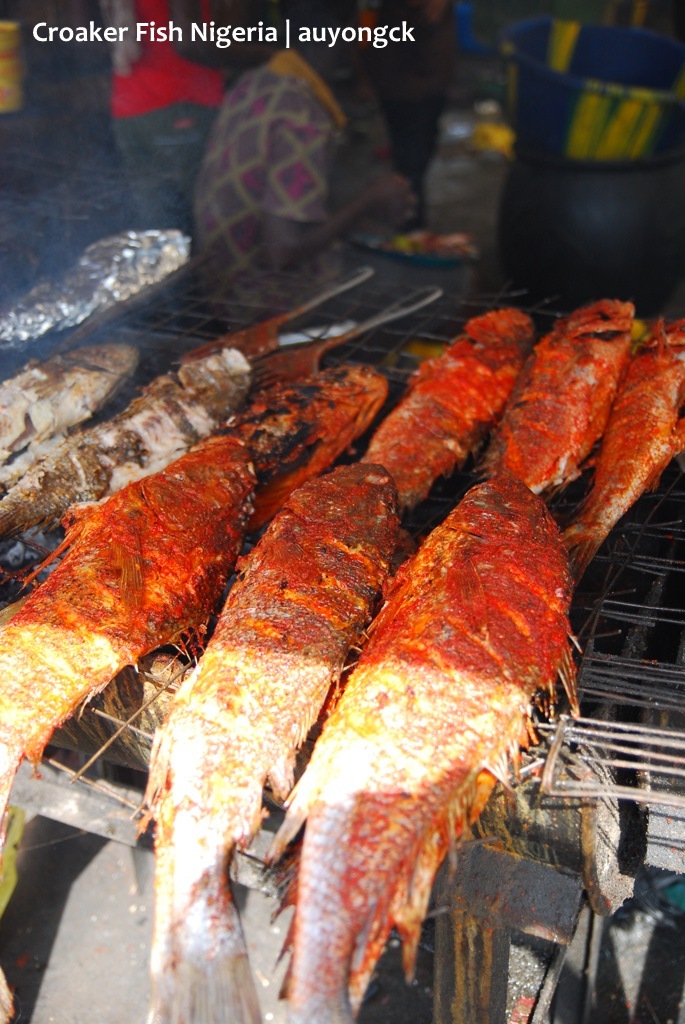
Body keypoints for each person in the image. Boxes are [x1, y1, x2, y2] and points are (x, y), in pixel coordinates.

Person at [193, 0, 416, 288]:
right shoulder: (303, 115)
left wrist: (361, 213)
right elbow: (282, 251)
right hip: (259, 298)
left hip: (219, 282)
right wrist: (368, 201)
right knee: (415, 282)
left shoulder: (255, 81)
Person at [101, 0, 270, 235]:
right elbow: (190, 43)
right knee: (214, 226)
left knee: (161, 236)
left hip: (130, 110)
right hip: (184, 106)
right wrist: (275, 57)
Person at [361, 0, 457, 230]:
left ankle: (411, 226)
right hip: (398, 75)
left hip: (426, 73)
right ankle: (410, 227)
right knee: (409, 162)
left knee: (415, 159)